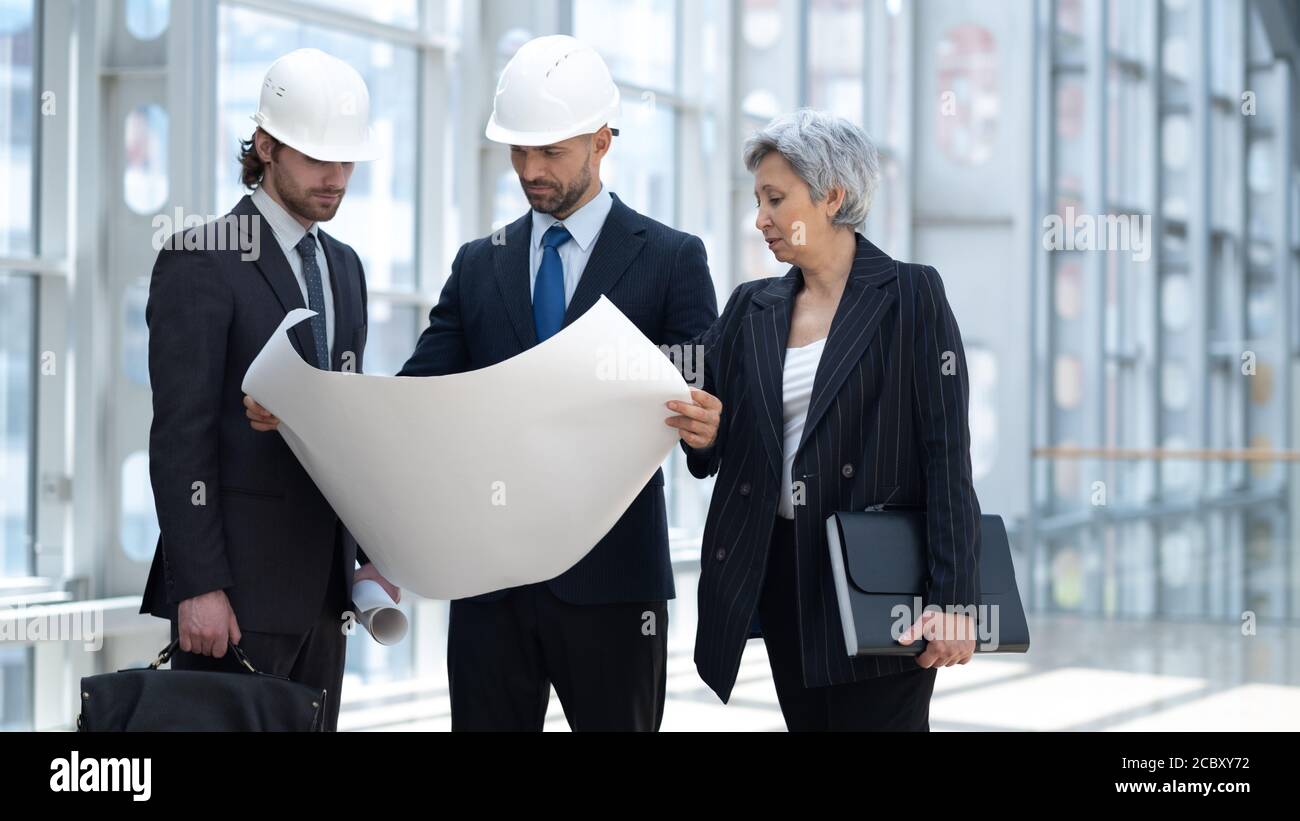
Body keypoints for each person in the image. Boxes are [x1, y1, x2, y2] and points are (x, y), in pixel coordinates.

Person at [398, 34, 720, 731]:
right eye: (518, 150)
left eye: (551, 151)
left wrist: (710, 431)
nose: (530, 169)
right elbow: (419, 393)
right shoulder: (480, 264)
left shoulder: (671, 259)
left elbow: (707, 419)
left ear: (603, 141)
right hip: (490, 584)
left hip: (613, 586)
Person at [683, 109, 981, 731]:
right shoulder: (750, 307)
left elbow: (946, 453)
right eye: (757, 199)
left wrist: (955, 599)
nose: (759, 218)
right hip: (784, 573)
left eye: (774, 198)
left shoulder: (911, 295)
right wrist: (707, 434)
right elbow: (711, 433)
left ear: (832, 197)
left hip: (877, 578)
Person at [141, 48, 399, 732]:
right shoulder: (202, 258)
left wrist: (372, 558)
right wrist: (197, 585)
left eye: (347, 161)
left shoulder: (345, 269)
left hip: (324, 598)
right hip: (235, 599)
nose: (336, 178)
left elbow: (342, 430)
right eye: (319, 160)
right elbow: (179, 438)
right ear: (265, 145)